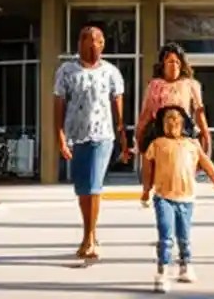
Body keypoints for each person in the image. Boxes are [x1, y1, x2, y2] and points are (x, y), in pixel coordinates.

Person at [54, 25, 130, 260]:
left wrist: (124, 139)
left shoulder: (111, 72)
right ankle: (90, 233)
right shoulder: (66, 71)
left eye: (97, 40)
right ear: (80, 43)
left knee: (94, 185)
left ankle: (88, 238)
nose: (92, 44)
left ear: (103, 45)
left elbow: (118, 109)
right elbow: (59, 105)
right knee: (82, 189)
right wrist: (60, 137)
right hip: (77, 137)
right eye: (87, 40)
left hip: (102, 136)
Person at [140, 105, 214, 294]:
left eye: (176, 119)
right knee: (166, 236)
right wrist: (146, 190)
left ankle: (185, 264)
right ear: (162, 124)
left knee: (184, 237)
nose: (172, 122)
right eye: (168, 119)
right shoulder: (157, 144)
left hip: (186, 198)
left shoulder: (192, 144)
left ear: (184, 123)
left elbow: (205, 161)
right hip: (163, 197)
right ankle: (162, 271)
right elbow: (147, 169)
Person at [135, 43, 211, 156]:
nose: (174, 65)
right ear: (163, 64)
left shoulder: (191, 85)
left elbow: (199, 113)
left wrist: (206, 137)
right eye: (170, 62)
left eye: (177, 62)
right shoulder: (154, 85)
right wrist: (139, 137)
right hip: (160, 136)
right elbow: (147, 113)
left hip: (184, 136)